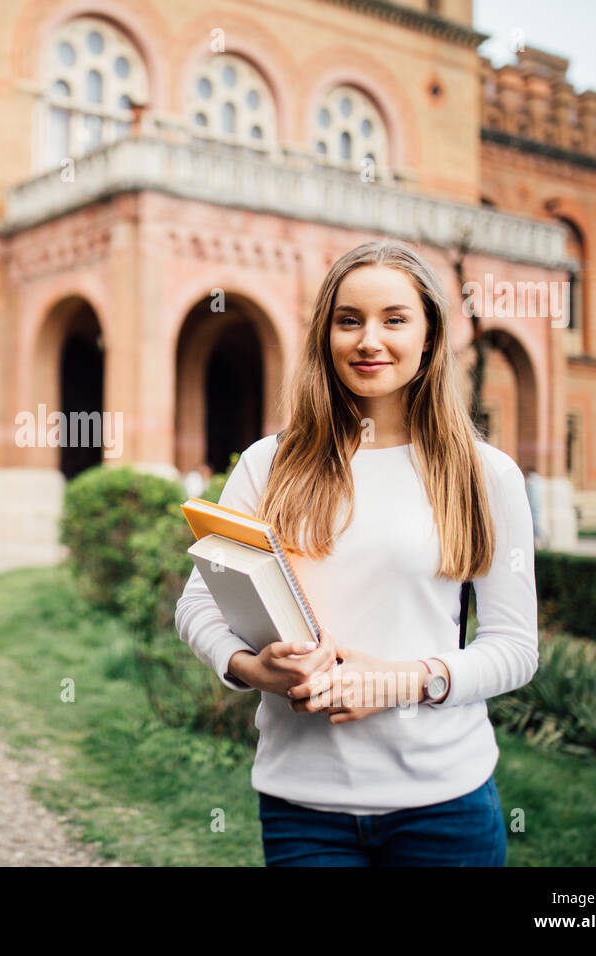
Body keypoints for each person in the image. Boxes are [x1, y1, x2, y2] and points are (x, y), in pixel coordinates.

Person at [174, 239, 539, 866]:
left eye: (395, 319)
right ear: (326, 335)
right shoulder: (270, 465)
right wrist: (250, 668)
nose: (370, 340)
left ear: (429, 337)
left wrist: (402, 682)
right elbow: (197, 604)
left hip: (444, 803)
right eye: (350, 320)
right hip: (304, 808)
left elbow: (515, 649)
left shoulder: (486, 474)